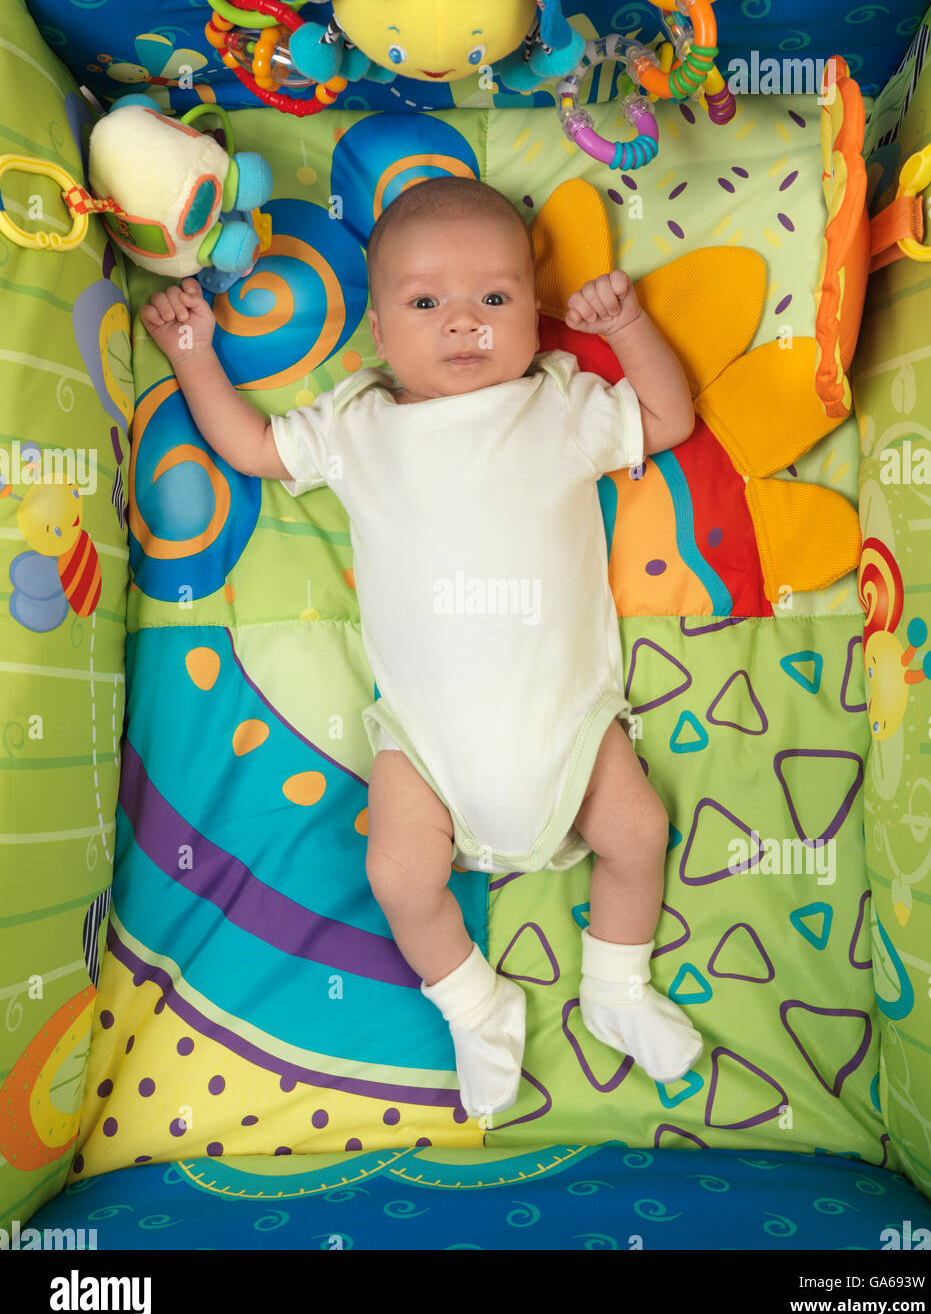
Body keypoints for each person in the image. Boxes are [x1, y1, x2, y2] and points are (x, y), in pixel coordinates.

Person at [141, 175, 704, 1122]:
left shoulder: (560, 407)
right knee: (398, 876)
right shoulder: (357, 428)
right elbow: (251, 450)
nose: (464, 324)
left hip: (563, 721)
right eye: (425, 302)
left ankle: (616, 989)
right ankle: (474, 1006)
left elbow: (669, 421)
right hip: (427, 740)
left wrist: (628, 332)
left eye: (494, 298)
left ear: (535, 312)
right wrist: (193, 353)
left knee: (636, 833)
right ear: (377, 328)